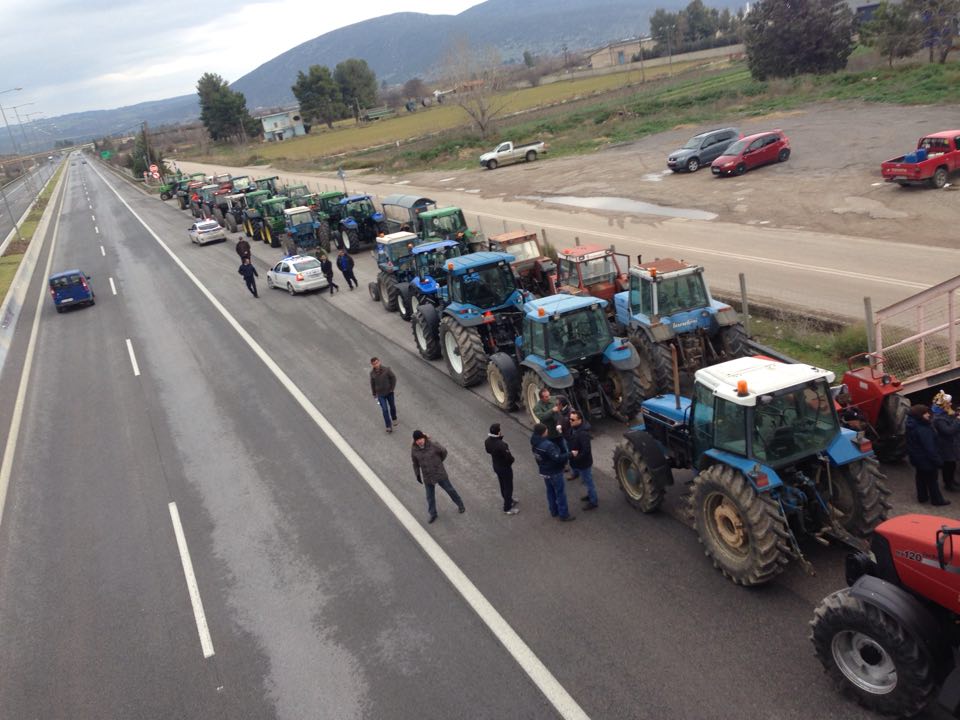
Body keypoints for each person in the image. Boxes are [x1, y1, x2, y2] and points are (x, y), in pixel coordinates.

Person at [411, 430, 465, 524]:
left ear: (424, 437)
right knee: (430, 497)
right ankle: (433, 514)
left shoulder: (433, 444)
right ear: (415, 441)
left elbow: (444, 452)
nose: (419, 441)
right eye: (417, 440)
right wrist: (417, 474)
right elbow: (415, 463)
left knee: (450, 490)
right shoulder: (414, 450)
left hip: (439, 473)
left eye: (421, 439)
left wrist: (438, 463)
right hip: (427, 476)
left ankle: (460, 504)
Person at [905, 404, 950, 506]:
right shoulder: (923, 428)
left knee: (920, 477)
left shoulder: (911, 424)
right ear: (919, 415)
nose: (928, 415)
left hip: (917, 458)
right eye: (925, 413)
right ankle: (937, 500)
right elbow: (930, 448)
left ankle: (922, 497)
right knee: (932, 480)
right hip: (926, 460)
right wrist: (938, 461)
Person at [530, 423, 574, 521]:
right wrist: (570, 454)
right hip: (554, 472)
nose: (547, 431)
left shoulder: (534, 442)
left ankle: (553, 510)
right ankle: (564, 514)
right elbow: (557, 458)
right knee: (560, 493)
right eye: (546, 430)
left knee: (550, 491)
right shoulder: (547, 445)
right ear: (543, 432)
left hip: (544, 471)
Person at [485, 423, 518, 515]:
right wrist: (511, 461)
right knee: (508, 487)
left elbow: (488, 451)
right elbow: (509, 458)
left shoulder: (487, 441)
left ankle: (509, 500)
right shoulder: (501, 444)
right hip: (505, 468)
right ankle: (507, 507)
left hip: (496, 465)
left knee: (502, 484)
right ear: (498, 432)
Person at [568, 410, 597, 510]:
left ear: (579, 420)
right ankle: (590, 495)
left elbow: (586, 450)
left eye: (572, 419)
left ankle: (593, 501)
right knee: (586, 481)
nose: (570, 421)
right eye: (570, 419)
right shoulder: (574, 429)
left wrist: (577, 458)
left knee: (588, 482)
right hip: (580, 462)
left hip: (584, 463)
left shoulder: (583, 434)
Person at [932, 390, 960, 492]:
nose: (951, 404)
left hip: (951, 444)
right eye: (949, 403)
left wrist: (957, 414)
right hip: (945, 446)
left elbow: (952, 415)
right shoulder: (939, 419)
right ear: (944, 405)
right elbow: (948, 431)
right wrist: (958, 420)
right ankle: (948, 484)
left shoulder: (945, 413)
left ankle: (952, 480)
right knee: (948, 465)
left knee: (952, 464)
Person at [369, 357, 398, 433]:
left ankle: (394, 418)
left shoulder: (386, 370)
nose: (376, 365)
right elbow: (372, 384)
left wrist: (392, 388)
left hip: (389, 393)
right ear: (372, 365)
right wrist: (374, 393)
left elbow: (393, 378)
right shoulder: (372, 374)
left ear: (379, 362)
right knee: (385, 410)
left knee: (392, 406)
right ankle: (388, 426)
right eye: (374, 364)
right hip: (380, 395)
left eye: (377, 363)